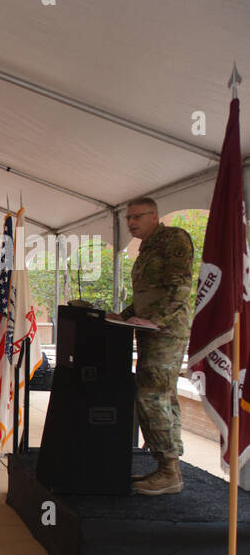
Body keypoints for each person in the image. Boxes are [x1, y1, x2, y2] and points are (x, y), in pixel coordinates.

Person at [110, 197, 196, 495]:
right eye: (128, 218)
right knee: (161, 394)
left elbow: (180, 287)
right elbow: (149, 294)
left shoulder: (173, 239)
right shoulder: (146, 247)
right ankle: (167, 466)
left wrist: (156, 320)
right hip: (150, 331)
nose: (131, 223)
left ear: (154, 215)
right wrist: (122, 316)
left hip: (167, 332)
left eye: (137, 217)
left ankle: (169, 470)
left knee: (151, 395)